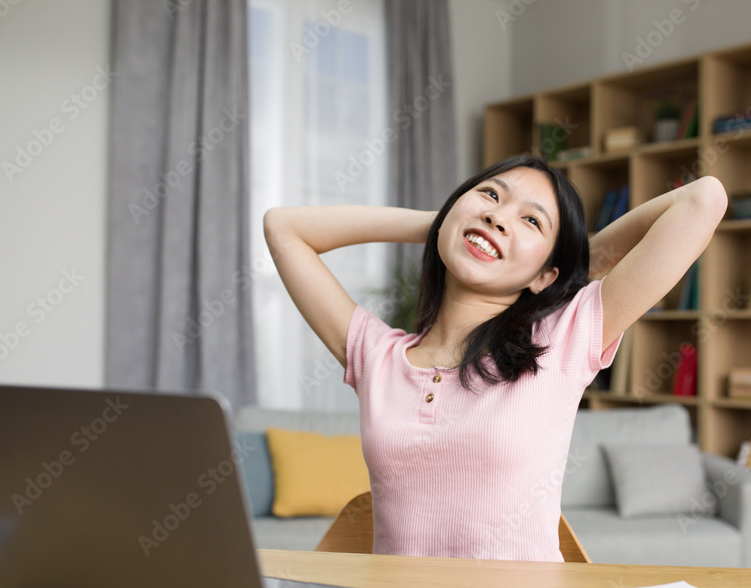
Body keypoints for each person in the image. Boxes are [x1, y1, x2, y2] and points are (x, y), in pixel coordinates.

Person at [263, 154, 727, 561]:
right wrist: (444, 223)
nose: (499, 218)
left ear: (546, 275)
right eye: (489, 195)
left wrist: (585, 259)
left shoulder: (563, 341)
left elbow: (702, 200)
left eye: (532, 221)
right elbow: (284, 228)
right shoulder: (376, 356)